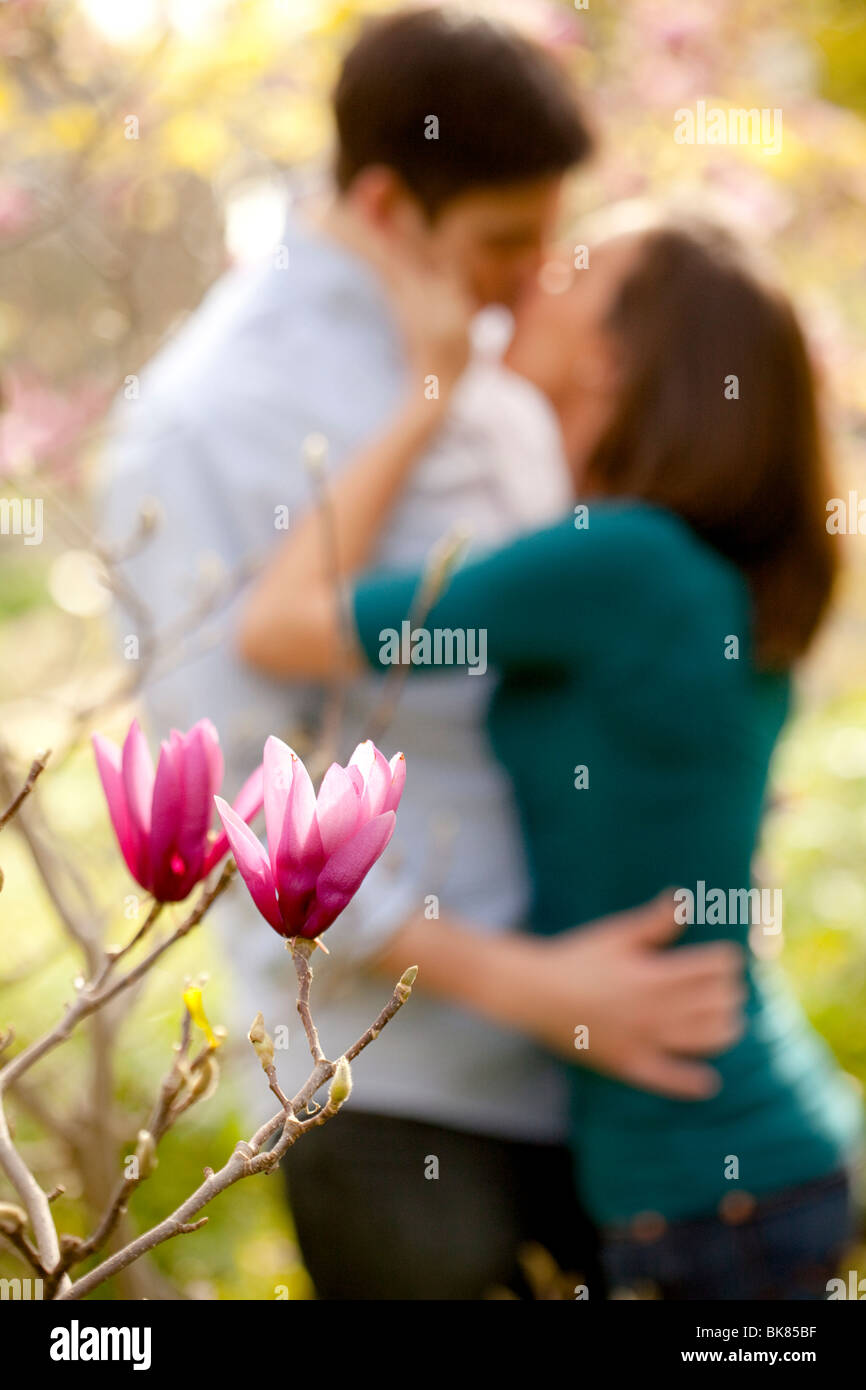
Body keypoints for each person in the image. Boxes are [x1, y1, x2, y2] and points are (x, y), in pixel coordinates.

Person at [100, 10, 744, 1300]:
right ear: (388, 203)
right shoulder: (208, 419)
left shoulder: (492, 377)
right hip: (391, 1080)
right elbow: (234, 787)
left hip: (589, 1056)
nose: (532, 280)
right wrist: (533, 982)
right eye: (508, 242)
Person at [238, 213, 864, 1300]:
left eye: (578, 270)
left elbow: (280, 628)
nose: (536, 275)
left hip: (712, 1199)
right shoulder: (685, 570)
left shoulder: (614, 562)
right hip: (753, 1170)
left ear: (613, 356)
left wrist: (431, 390)